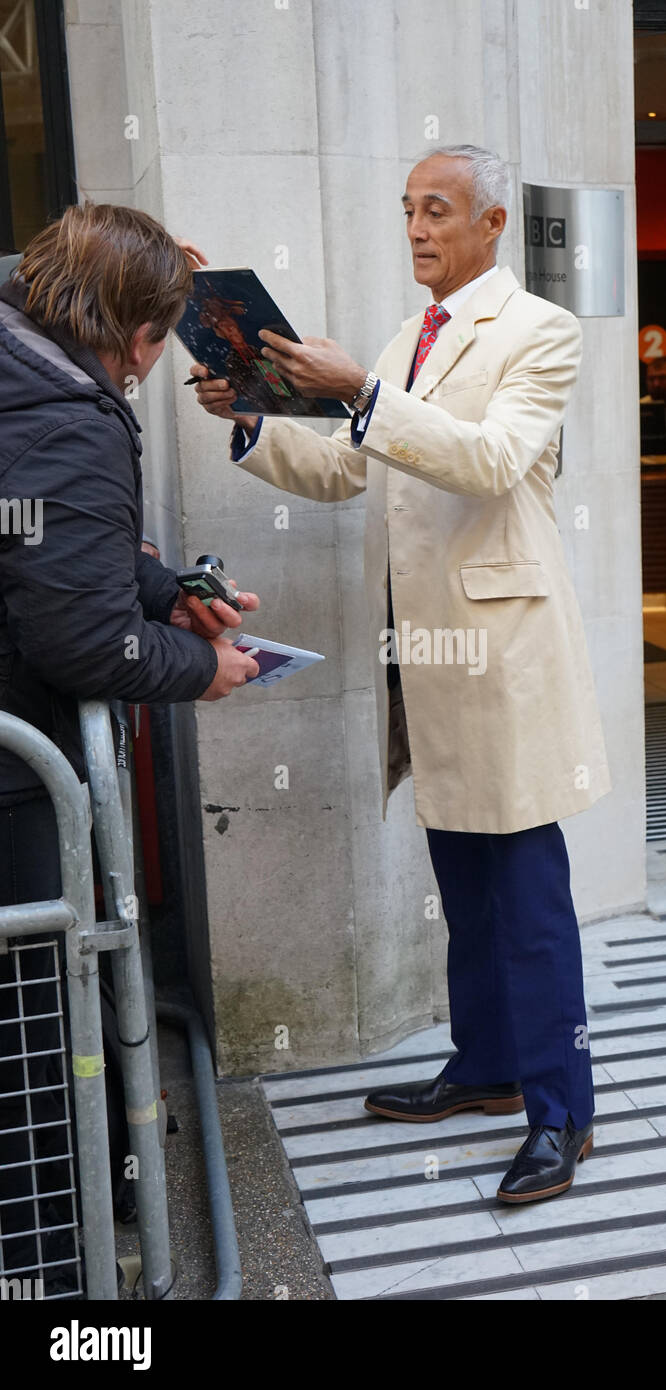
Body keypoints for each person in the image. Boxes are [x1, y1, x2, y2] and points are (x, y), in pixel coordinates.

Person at [193, 143, 610, 1205]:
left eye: (438, 210)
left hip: (502, 660)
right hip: (424, 661)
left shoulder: (539, 331)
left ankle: (562, 1110)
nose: (418, 229)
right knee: (464, 888)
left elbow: (488, 461)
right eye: (407, 211)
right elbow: (345, 467)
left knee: (525, 898)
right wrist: (250, 415)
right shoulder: (404, 339)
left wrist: (364, 391)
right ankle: (486, 1068)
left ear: (491, 223)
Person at [0, 203, 260, 1289]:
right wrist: (207, 667)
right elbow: (83, 640)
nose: (155, 364)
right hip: (19, 784)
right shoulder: (68, 408)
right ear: (132, 333)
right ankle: (59, 1277)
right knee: (34, 1047)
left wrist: (172, 591)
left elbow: (58, 545)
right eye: (160, 335)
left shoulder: (18, 337)